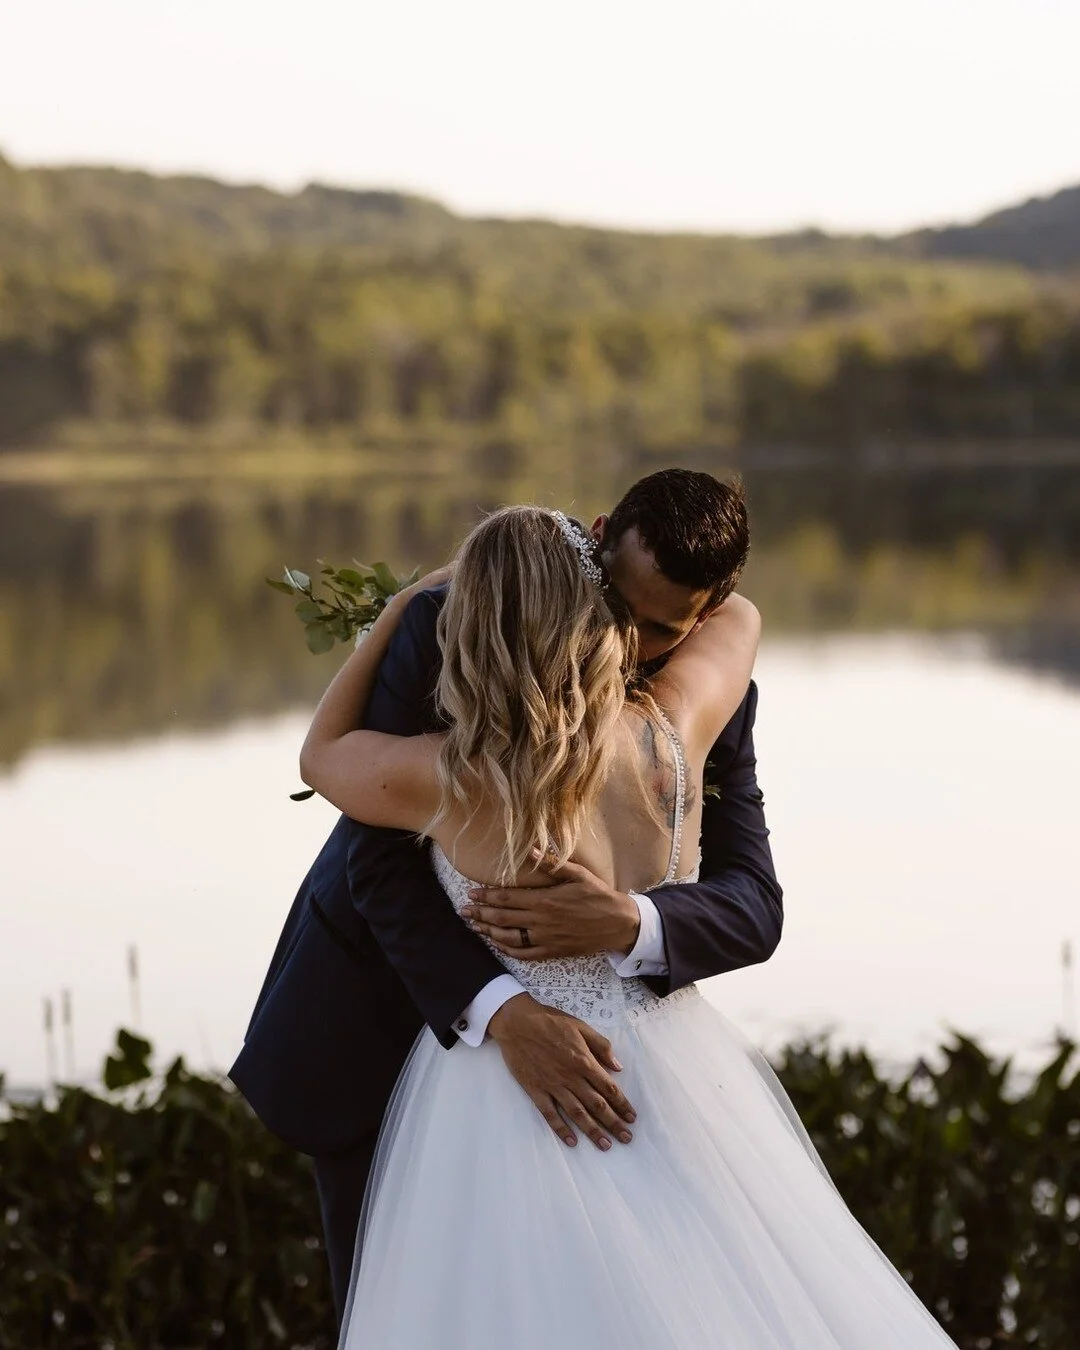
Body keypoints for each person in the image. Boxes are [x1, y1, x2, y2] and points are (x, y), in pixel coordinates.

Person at [300, 505, 957, 1349]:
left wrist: (396, 612)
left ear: (464, 630)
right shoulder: (677, 725)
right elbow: (742, 622)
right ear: (599, 612)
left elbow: (321, 755)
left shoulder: (448, 777)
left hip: (496, 1100)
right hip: (666, 1063)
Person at [230, 469, 783, 1323]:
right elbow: (378, 870)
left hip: (634, 1073)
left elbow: (753, 902)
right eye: (620, 616)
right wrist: (501, 1011)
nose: (631, 647)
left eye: (661, 629)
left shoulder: (455, 778)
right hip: (394, 1029)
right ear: (595, 547)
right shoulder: (667, 708)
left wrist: (631, 922)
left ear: (703, 616)